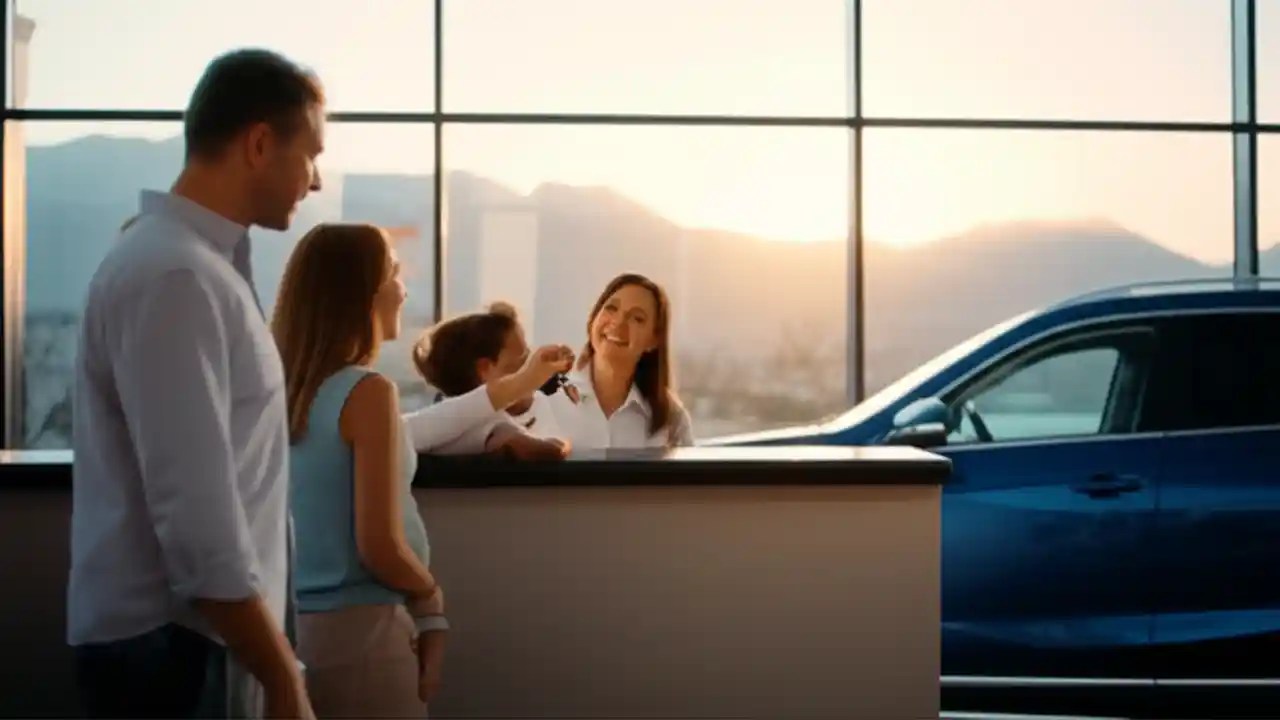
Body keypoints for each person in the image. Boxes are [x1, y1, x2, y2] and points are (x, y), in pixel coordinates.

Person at [69, 49, 324, 719]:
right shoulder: (176, 276)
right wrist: (282, 677)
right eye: (311, 154)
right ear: (260, 143)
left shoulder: (194, 269)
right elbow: (196, 514)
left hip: (196, 646)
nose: (317, 180)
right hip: (179, 655)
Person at [273, 223, 441, 717]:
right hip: (363, 640)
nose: (402, 287)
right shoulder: (368, 392)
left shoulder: (276, 393)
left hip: (287, 632)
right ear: (359, 292)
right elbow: (379, 546)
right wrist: (431, 598)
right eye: (392, 271)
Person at [547, 273, 695, 450]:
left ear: (654, 340)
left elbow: (691, 477)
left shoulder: (672, 418)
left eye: (637, 318)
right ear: (593, 318)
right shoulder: (548, 398)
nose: (618, 322)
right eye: (611, 308)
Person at [412, 301, 572, 459]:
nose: (531, 367)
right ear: (485, 369)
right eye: (523, 361)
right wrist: (566, 444)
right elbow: (549, 450)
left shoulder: (445, 419)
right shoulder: (489, 423)